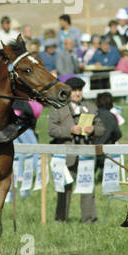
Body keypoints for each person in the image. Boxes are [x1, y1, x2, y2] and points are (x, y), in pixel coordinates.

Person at [49, 77, 97, 223]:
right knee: (64, 188)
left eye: (79, 90)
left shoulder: (91, 107)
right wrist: (69, 130)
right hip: (66, 154)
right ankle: (61, 219)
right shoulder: (57, 108)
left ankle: (89, 220)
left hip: (86, 154)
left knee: (88, 189)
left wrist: (93, 129)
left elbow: (101, 128)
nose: (77, 93)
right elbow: (51, 130)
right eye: (74, 90)